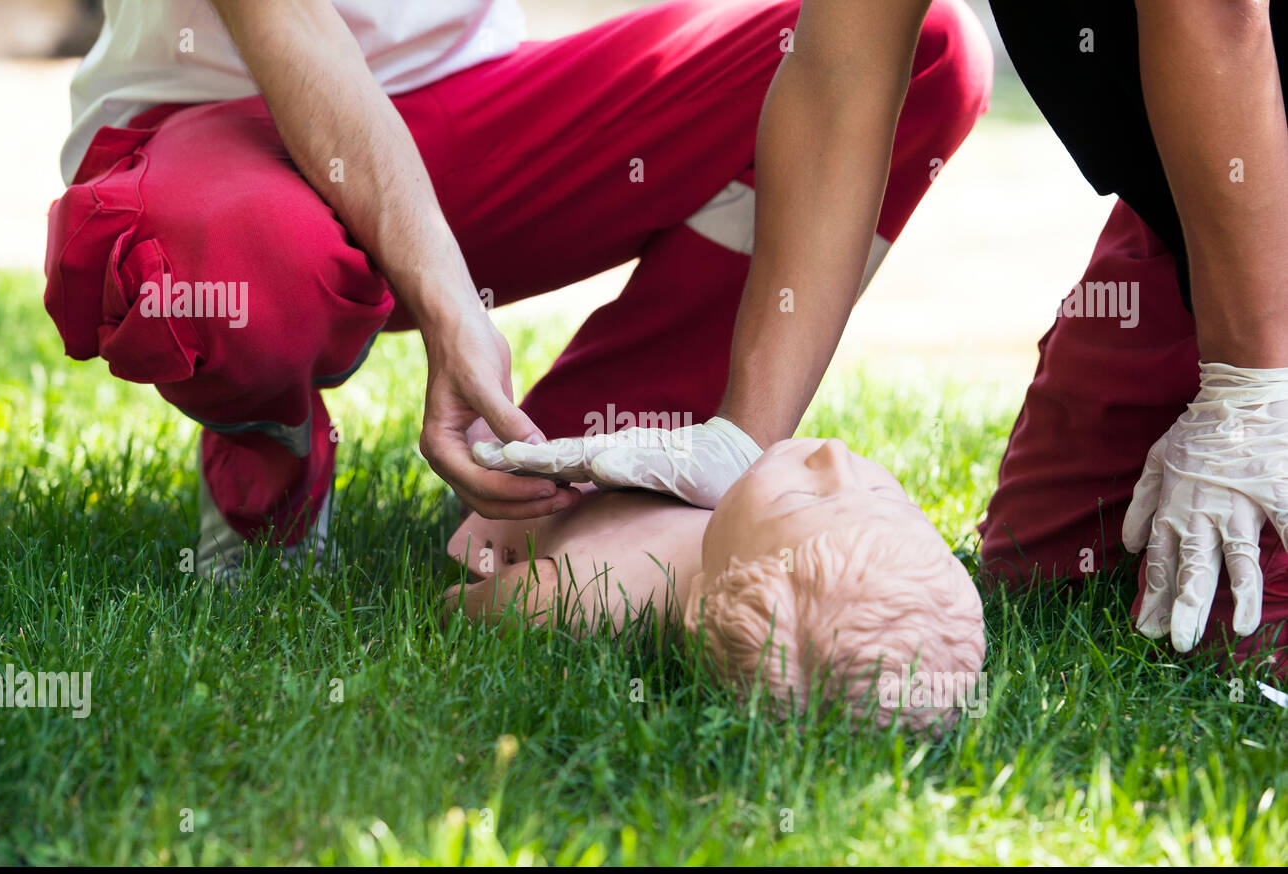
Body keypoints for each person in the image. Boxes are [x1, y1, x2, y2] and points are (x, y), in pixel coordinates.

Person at [41, 0, 993, 581]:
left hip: (465, 107)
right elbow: (287, 21)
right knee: (232, 262)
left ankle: (571, 475)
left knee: (929, 49)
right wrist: (456, 307)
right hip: (215, 137)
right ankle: (266, 451)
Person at [493, 1, 1288, 677]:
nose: (833, 455)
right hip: (1196, 196)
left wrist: (1251, 389)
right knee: (1043, 573)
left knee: (1245, 638)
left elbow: (1216, 13)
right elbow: (839, 77)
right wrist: (745, 435)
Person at [449, 438, 985, 729]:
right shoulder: (746, 532)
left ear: (709, 600)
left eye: (802, 499)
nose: (836, 455)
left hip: (506, 474)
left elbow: (464, 604)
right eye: (886, 498)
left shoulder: (583, 596)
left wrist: (481, 435)